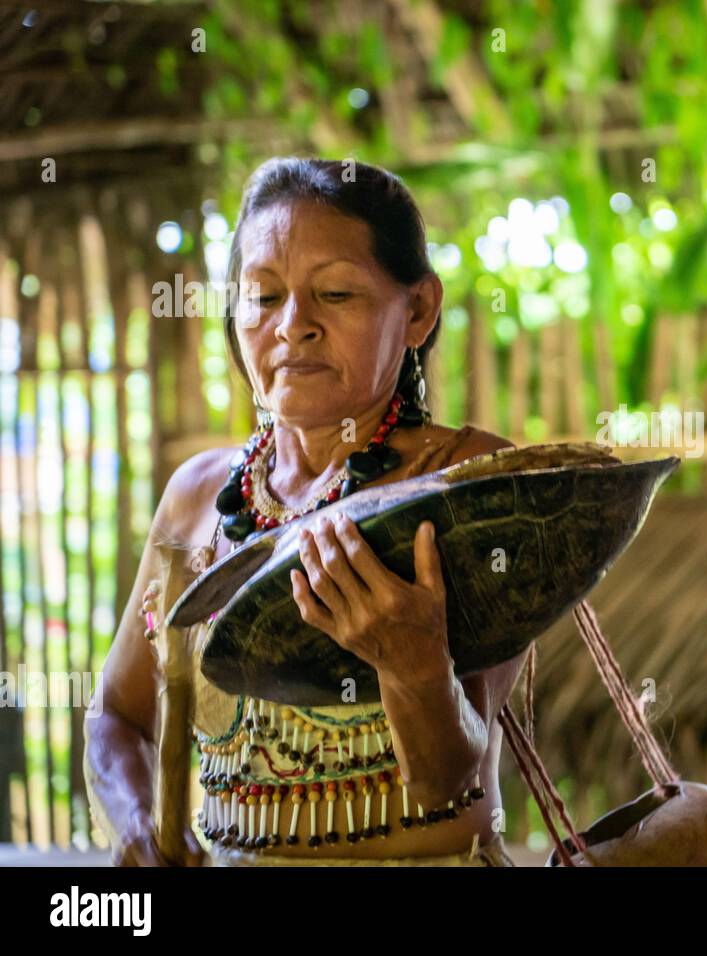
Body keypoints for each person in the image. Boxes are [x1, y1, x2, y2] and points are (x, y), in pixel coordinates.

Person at [84, 157, 522, 865]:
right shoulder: (198, 497)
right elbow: (116, 715)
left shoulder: (470, 483)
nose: (293, 326)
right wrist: (137, 826)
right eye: (262, 297)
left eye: (336, 293)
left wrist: (415, 668)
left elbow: (450, 778)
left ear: (417, 310)